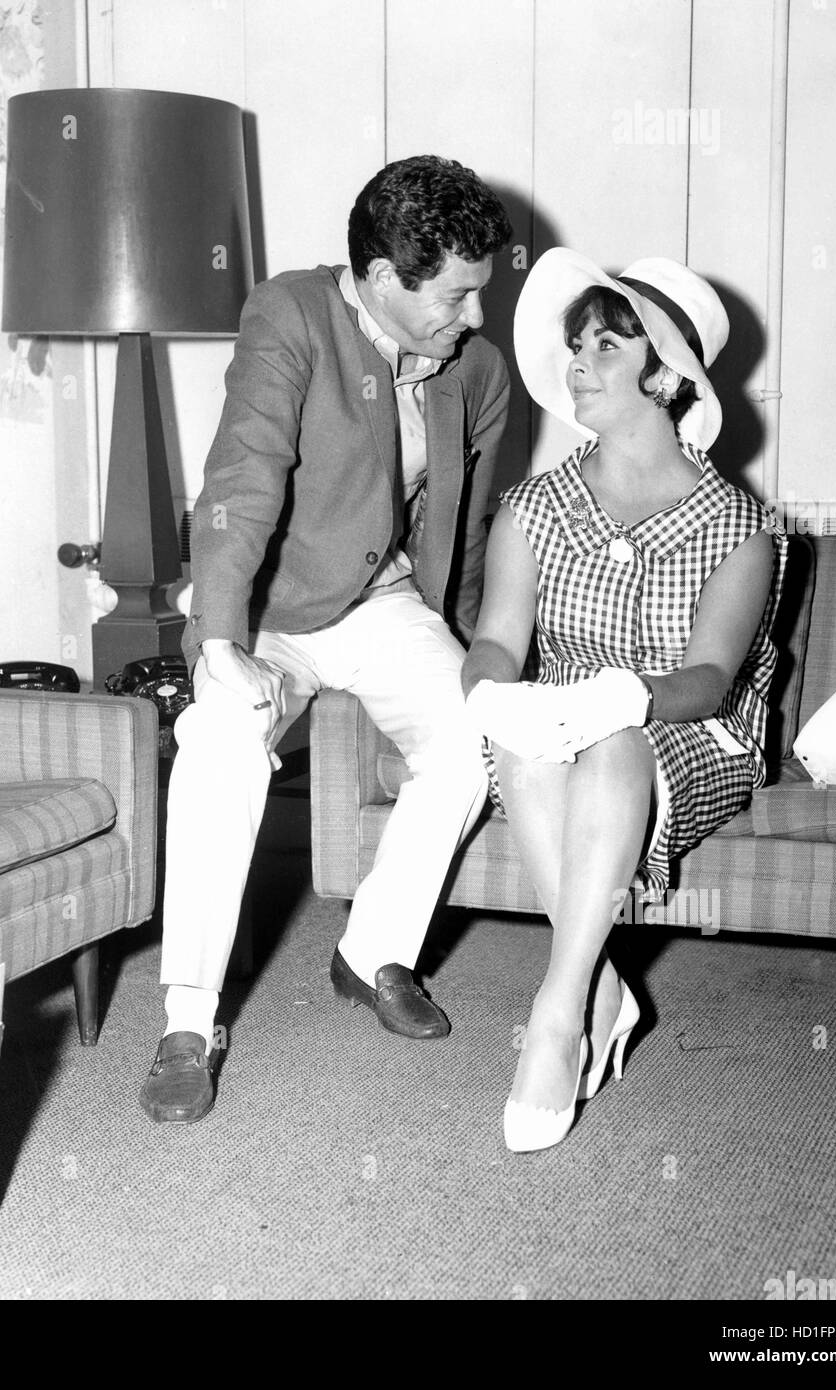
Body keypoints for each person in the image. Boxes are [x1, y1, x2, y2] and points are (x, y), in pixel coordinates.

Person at [139, 155, 512, 1124]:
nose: (475, 317)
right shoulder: (288, 316)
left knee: (471, 741)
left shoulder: (477, 370)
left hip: (384, 603)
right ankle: (188, 1020)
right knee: (220, 739)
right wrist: (218, 637)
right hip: (272, 606)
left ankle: (371, 951)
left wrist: (470, 651)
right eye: (458, 294)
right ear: (385, 278)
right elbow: (242, 475)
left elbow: (461, 529)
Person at [462, 248, 787, 1152]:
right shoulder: (533, 505)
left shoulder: (738, 526)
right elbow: (496, 641)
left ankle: (559, 1015)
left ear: (666, 373)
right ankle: (602, 987)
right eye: (577, 346)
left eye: (609, 343)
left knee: (610, 744)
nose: (579, 363)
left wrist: (621, 697)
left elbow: (711, 679)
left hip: (690, 727)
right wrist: (491, 693)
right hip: (566, 715)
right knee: (528, 744)